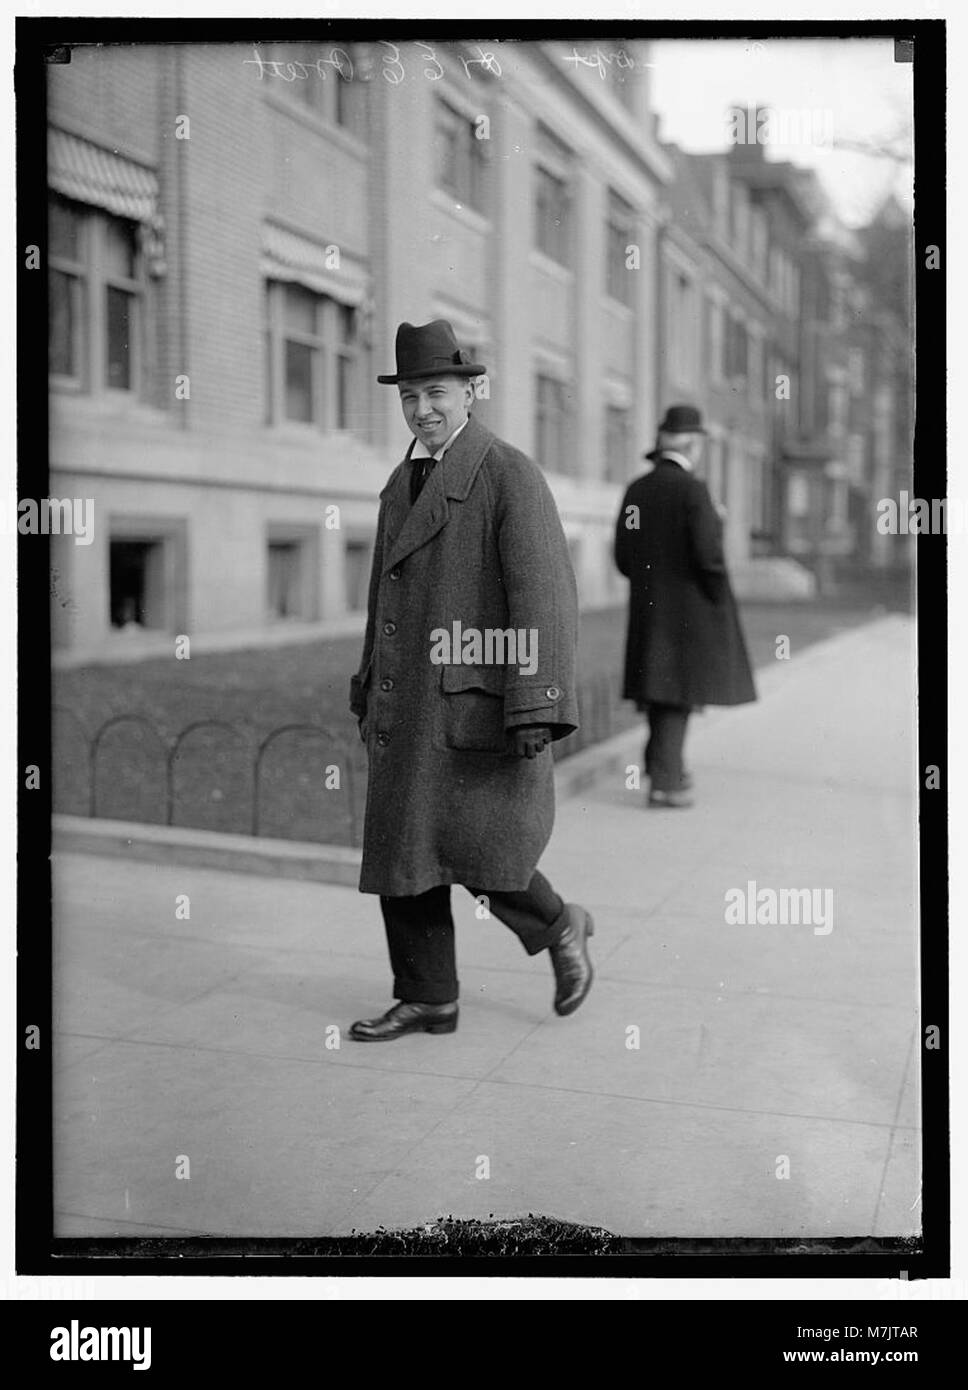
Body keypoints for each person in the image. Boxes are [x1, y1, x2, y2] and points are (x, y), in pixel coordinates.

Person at [347, 319, 594, 1041]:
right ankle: (428, 995)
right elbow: (382, 601)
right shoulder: (401, 482)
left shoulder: (508, 473)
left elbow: (545, 597)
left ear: (471, 392)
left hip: (480, 706)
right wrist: (370, 682)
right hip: (410, 700)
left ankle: (559, 928)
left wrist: (537, 704)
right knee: (406, 856)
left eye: (438, 393)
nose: (424, 409)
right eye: (411, 396)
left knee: (492, 855)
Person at [614, 404, 757, 808]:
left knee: (659, 690)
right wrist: (715, 595)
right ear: (693, 444)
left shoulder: (636, 490)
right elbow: (709, 555)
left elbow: (623, 557)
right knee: (678, 694)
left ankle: (661, 764)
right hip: (689, 610)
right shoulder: (695, 491)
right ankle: (666, 783)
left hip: (648, 608)